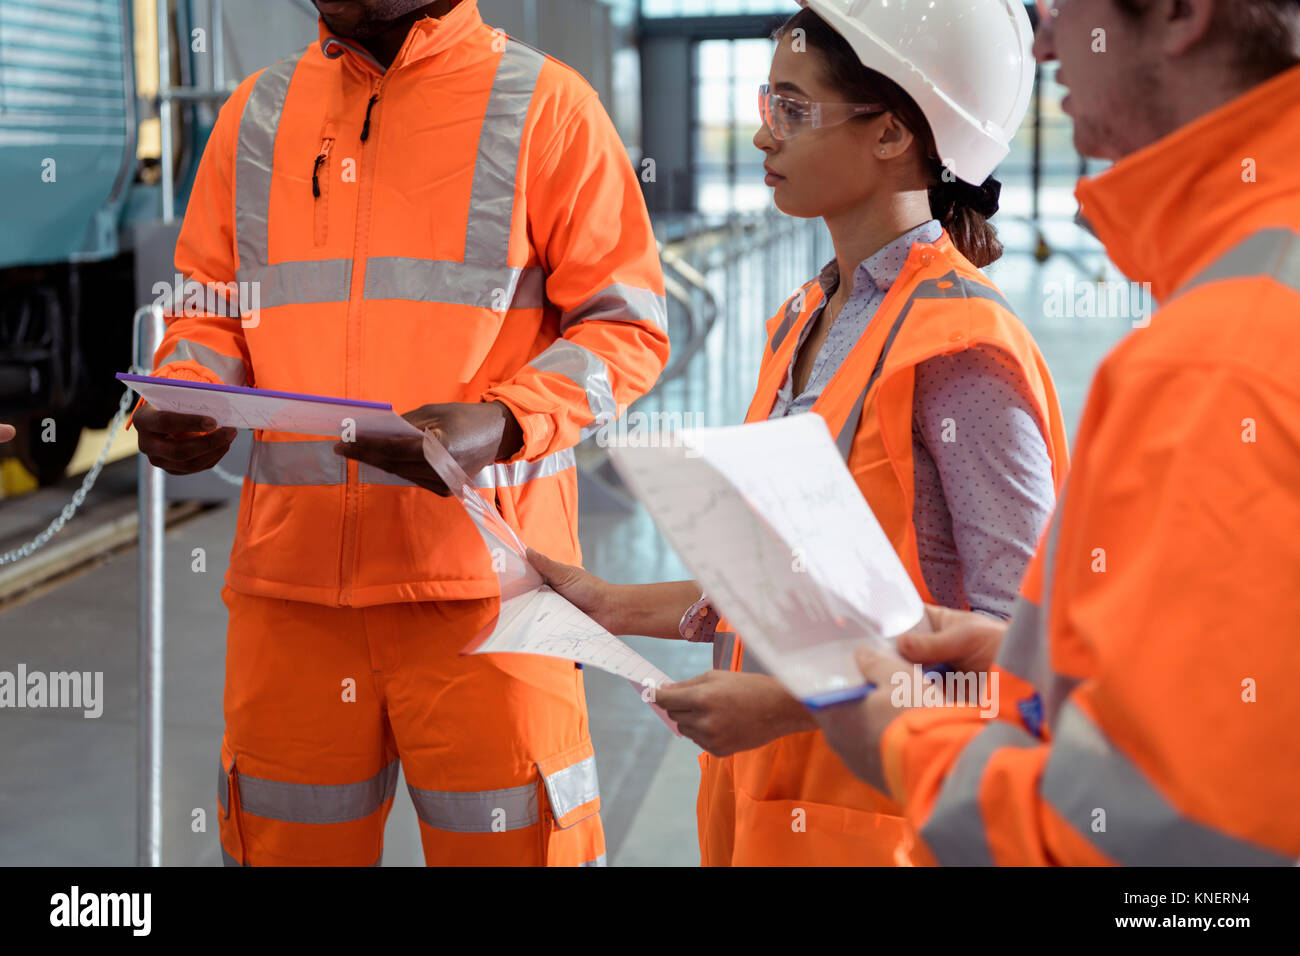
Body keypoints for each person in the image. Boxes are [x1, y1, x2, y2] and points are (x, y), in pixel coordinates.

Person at [128, 0, 669, 866]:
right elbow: (210, 313)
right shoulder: (256, 114)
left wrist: (504, 421)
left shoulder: (546, 105)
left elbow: (624, 326)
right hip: (292, 595)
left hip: (489, 598)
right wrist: (190, 392)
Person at [534, 0, 1070, 866]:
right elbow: (785, 598)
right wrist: (607, 604)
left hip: (890, 824)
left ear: (892, 133)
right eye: (764, 106)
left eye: (792, 109)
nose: (762, 138)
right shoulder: (808, 319)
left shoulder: (960, 351)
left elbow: (1023, 661)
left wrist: (787, 705)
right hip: (771, 817)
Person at [811, 0, 1300, 865]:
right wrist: (1026, 662)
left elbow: (1163, 853)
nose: (1045, 39)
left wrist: (896, 735)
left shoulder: (1222, 355)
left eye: (1068, 6)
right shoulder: (1246, 292)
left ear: (1183, 13)